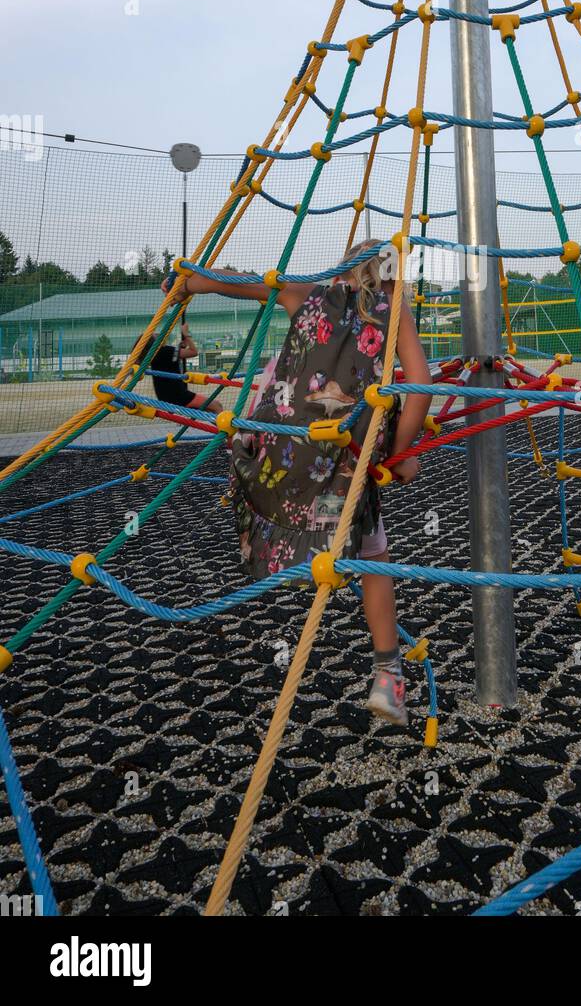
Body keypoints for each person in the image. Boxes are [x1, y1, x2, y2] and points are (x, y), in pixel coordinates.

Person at [162, 239, 432, 727]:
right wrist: (399, 455)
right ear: (393, 276)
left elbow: (245, 280)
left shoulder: (306, 294)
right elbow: (419, 385)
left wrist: (191, 282)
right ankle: (388, 674)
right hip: (339, 469)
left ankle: (262, 501)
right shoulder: (394, 316)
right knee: (373, 556)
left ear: (344, 269)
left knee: (250, 436)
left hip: (277, 459)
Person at [139, 323, 226, 416]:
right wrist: (186, 334)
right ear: (154, 341)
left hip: (165, 396)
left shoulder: (155, 356)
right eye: (155, 335)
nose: (157, 334)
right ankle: (226, 429)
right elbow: (193, 352)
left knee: (209, 411)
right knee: (217, 406)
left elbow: (172, 359)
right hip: (179, 396)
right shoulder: (166, 351)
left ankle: (223, 429)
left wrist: (179, 348)